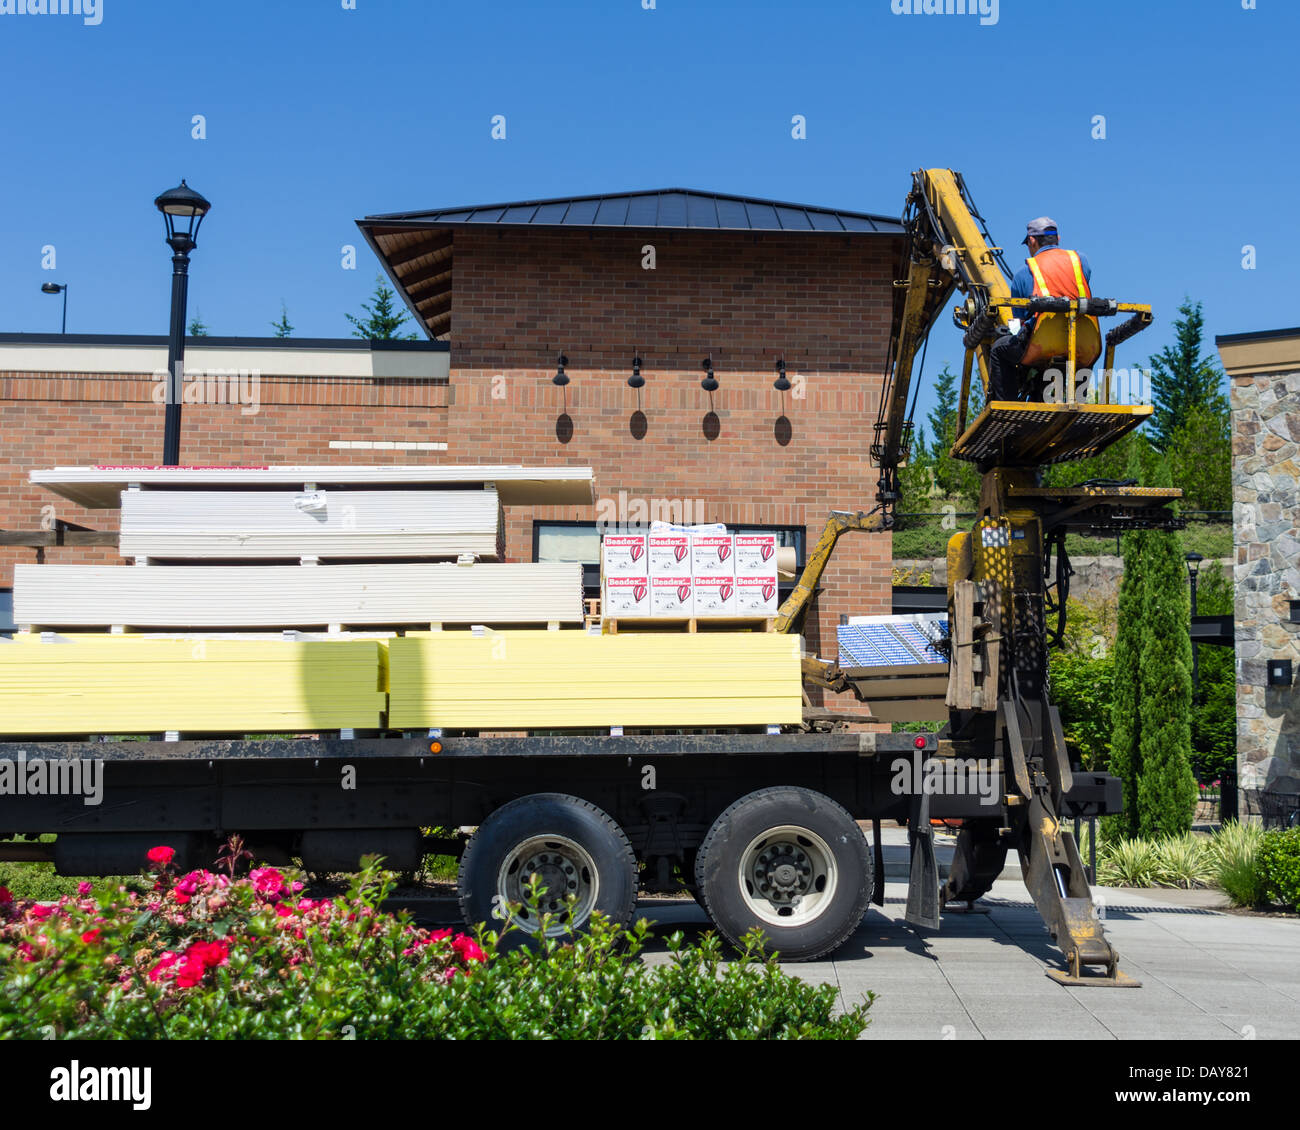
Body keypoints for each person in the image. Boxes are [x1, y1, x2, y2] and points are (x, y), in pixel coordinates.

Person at [988, 217, 1093, 401]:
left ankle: (1010, 409)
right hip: (1084, 341)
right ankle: (1078, 398)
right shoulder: (1081, 261)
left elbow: (1018, 324)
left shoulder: (1023, 274)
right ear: (1057, 238)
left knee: (999, 349)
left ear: (1032, 240)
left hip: (1043, 344)